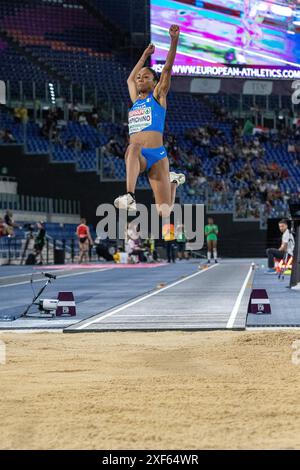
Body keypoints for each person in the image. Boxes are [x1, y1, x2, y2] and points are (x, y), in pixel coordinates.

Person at [114, 24, 185, 216]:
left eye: (145, 77)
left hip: (158, 155)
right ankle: (130, 195)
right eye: (139, 77)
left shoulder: (158, 96)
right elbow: (129, 80)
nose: (139, 79)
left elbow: (168, 69)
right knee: (133, 147)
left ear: (154, 82)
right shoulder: (135, 101)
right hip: (141, 156)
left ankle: (173, 181)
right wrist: (144, 56)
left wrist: (174, 40)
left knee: (164, 212)